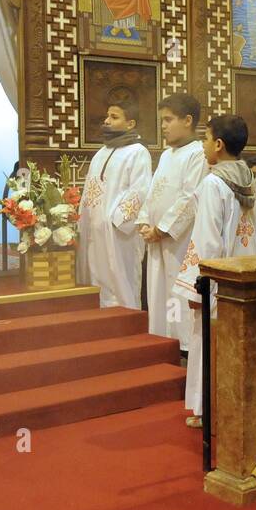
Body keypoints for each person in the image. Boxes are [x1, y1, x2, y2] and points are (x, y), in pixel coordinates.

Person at [174, 114, 256, 428]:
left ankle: (207, 408)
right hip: (243, 277)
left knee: (207, 342)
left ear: (218, 144)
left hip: (217, 282)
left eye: (205, 138)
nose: (202, 145)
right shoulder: (248, 179)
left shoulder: (214, 182)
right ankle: (231, 405)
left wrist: (197, 286)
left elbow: (207, 240)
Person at [137, 93, 206, 350]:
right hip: (156, 238)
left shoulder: (197, 154)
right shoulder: (167, 154)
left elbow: (190, 197)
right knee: (159, 291)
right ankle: (162, 337)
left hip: (178, 241)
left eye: (168, 120)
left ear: (187, 120)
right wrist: (145, 220)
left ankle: (180, 344)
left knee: (175, 291)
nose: (163, 126)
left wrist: (163, 229)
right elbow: (154, 190)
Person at [76, 96, 151, 308]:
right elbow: (89, 190)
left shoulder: (138, 152)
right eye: (107, 116)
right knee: (97, 275)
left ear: (130, 124)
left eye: (114, 117)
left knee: (121, 278)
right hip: (95, 229)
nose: (106, 121)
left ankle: (127, 321)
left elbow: (140, 190)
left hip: (119, 233)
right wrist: (84, 218)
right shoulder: (102, 152)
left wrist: (115, 220)